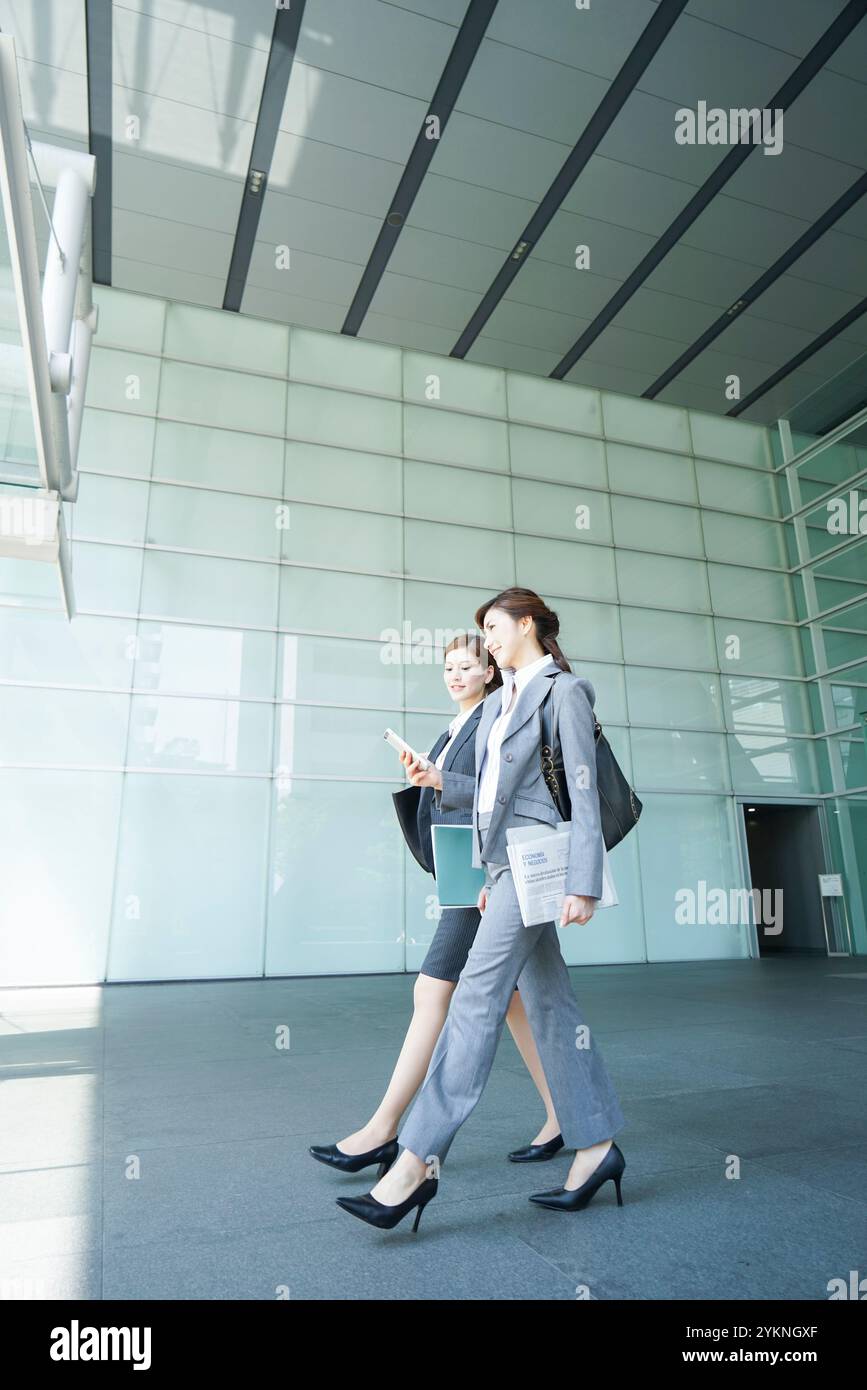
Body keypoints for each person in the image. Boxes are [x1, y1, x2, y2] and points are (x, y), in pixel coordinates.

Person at [335, 588, 627, 1231]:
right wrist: (456, 807)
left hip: (542, 864)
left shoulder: (563, 693)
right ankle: (598, 1147)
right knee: (552, 1006)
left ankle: (413, 1164)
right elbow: (494, 793)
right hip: (508, 869)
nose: (487, 640)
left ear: (527, 625)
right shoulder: (501, 700)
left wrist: (583, 882)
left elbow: (577, 792)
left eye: (495, 628)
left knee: (473, 1001)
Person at [310, 631, 568, 1182]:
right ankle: (565, 1112)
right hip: (464, 870)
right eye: (448, 667)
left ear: (489, 673)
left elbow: (502, 790)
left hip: (482, 872)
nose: (455, 675)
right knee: (516, 1001)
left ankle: (383, 1130)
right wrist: (426, 776)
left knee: (431, 991)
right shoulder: (455, 727)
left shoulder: (496, 717)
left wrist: (440, 779)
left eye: (467, 666)